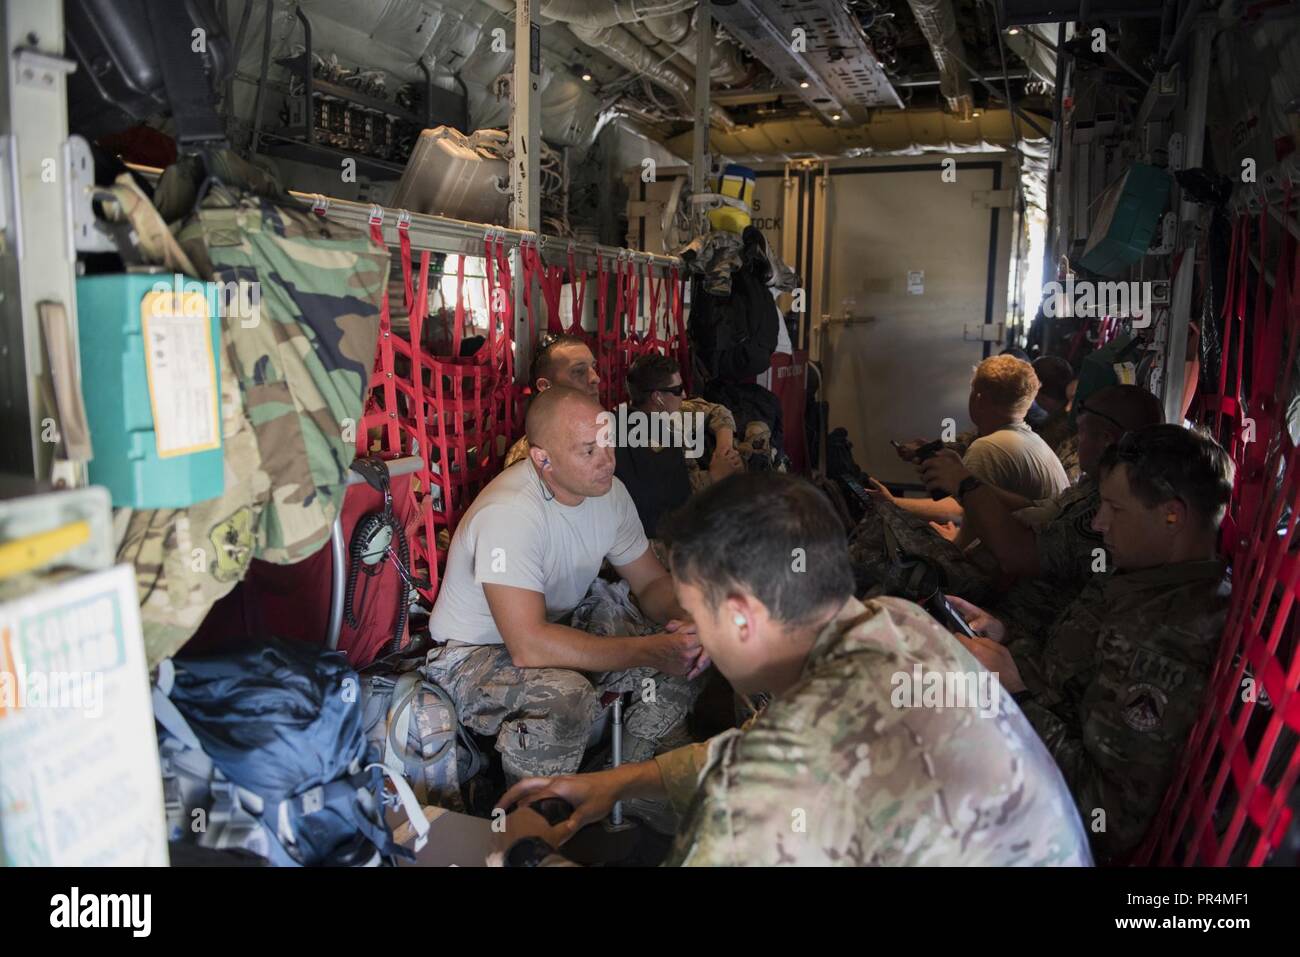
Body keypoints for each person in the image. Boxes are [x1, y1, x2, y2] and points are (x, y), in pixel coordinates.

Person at [497, 472, 1094, 866]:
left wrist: (531, 856)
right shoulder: (897, 623)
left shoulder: (764, 791)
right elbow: (763, 745)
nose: (686, 630)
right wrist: (615, 784)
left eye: (693, 611)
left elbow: (772, 766)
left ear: (739, 615)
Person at [946, 424, 1234, 863]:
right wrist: (1009, 641)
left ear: (1172, 516)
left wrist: (1016, 696)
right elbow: (1075, 683)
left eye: (1115, 509)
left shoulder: (1165, 639)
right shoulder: (1144, 582)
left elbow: (1106, 820)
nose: (1099, 524)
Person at [424, 386, 708, 785]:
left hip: (556, 624)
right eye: (587, 450)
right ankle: (532, 816)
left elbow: (651, 585)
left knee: (699, 638)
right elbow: (528, 646)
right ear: (543, 459)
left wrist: (695, 621)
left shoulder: (609, 495)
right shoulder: (510, 513)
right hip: (473, 654)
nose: (606, 460)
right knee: (565, 696)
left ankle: (631, 770)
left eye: (608, 442)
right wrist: (650, 652)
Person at [919, 384, 1166, 639]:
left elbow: (1018, 556)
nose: (1076, 443)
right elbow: (1033, 509)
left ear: (1106, 440)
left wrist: (965, 485)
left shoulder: (1109, 508)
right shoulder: (1093, 486)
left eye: (1081, 434)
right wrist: (970, 482)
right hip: (1009, 617)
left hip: (1027, 632)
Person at [871, 355, 1070, 542]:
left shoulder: (988, 447)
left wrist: (890, 502)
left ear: (978, 399)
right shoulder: (1030, 439)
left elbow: (958, 509)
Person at [614, 353, 743, 538]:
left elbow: (717, 411)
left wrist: (724, 449)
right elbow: (666, 496)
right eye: (677, 389)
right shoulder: (636, 440)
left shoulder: (671, 413)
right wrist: (715, 475)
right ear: (657, 397)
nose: (683, 394)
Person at [503, 334, 602, 467]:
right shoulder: (530, 460)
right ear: (545, 386)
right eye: (579, 371)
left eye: (593, 367)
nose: (595, 378)